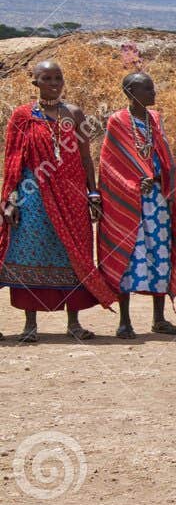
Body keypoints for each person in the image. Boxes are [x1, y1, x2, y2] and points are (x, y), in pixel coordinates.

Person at [0, 60, 116, 341]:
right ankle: (30, 326)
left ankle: (73, 324)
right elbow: (13, 160)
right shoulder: (23, 116)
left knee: (74, 253)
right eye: (47, 78)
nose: (54, 83)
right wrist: (11, 200)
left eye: (58, 78)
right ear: (35, 83)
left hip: (72, 197)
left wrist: (93, 193)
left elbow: (85, 158)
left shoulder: (74, 114)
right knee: (29, 253)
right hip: (33, 197)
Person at [96, 71, 176, 338]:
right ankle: (124, 321)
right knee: (129, 255)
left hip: (159, 198)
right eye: (147, 89)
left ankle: (159, 319)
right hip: (129, 201)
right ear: (130, 93)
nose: (153, 92)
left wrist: (164, 179)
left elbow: (165, 157)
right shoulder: (117, 121)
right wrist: (132, 183)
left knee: (160, 254)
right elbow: (110, 164)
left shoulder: (155, 119)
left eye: (152, 87)